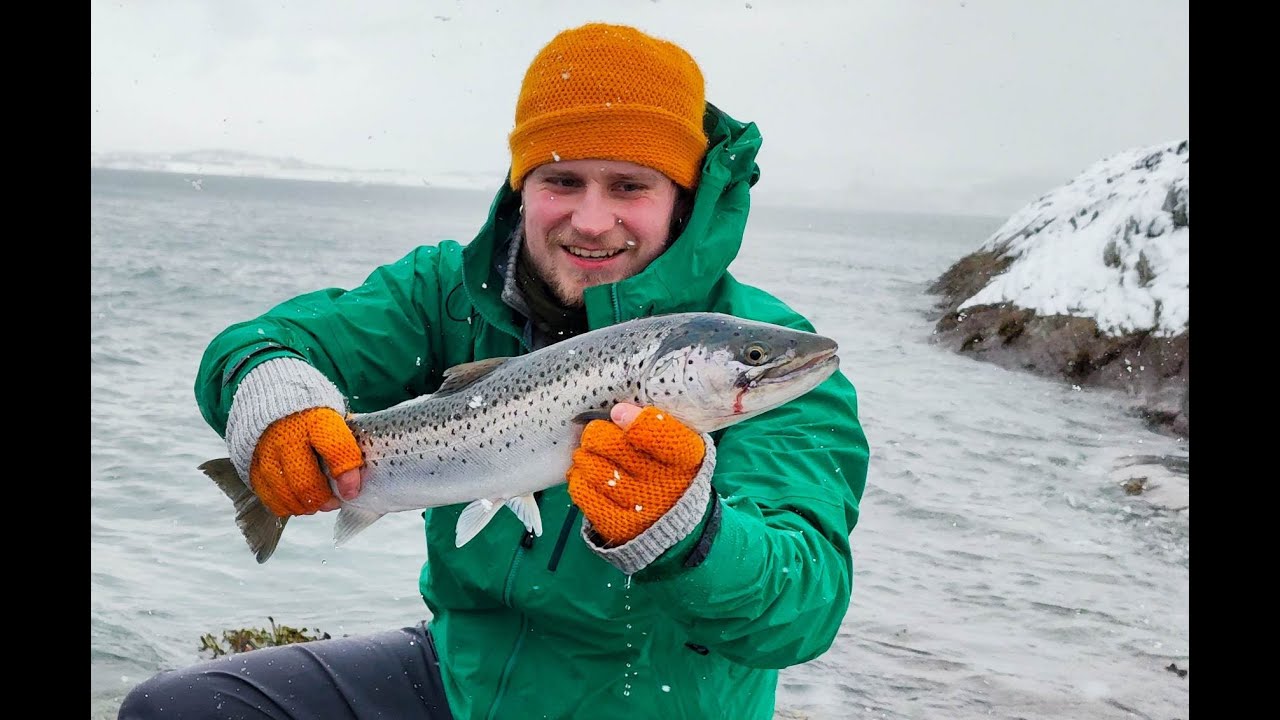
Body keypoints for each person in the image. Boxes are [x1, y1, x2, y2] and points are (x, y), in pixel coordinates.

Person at [119, 21, 870, 720]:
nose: (591, 218)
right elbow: (262, 343)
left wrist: (688, 530)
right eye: (562, 180)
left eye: (630, 186)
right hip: (463, 677)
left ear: (683, 198)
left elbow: (802, 606)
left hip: (647, 702)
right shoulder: (448, 291)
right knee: (176, 710)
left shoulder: (781, 368)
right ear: (522, 187)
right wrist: (276, 402)